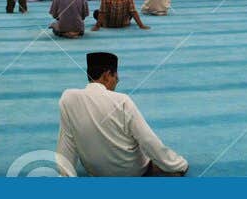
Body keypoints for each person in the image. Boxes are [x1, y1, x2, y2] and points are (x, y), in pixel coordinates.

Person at [55, 52, 187, 177]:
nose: (116, 82)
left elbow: (66, 143)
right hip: (130, 171)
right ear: (107, 75)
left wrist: (64, 175)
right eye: (115, 77)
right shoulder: (122, 100)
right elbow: (148, 140)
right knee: (154, 161)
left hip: (95, 172)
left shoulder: (68, 98)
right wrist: (178, 165)